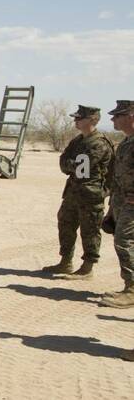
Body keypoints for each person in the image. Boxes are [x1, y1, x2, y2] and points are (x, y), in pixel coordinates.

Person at [42, 105, 113, 278]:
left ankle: (87, 268)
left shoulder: (99, 143)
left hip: (91, 194)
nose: (75, 121)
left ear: (91, 120)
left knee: (90, 230)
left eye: (79, 118)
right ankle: (65, 261)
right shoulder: (78, 141)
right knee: (65, 223)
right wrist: (71, 164)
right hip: (73, 192)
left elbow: (83, 166)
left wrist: (71, 164)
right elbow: (64, 163)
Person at [100, 100, 134, 307]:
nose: (113, 119)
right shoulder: (126, 143)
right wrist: (112, 206)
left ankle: (132, 290)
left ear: (131, 116)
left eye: (117, 115)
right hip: (122, 201)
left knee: (124, 241)